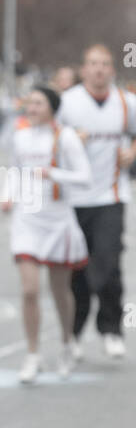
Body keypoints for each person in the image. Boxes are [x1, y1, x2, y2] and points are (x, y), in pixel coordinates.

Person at [59, 45, 136, 360]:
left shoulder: (127, 102)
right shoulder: (67, 104)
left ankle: (111, 329)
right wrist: (69, 142)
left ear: (112, 69)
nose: (98, 70)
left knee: (108, 266)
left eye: (104, 64)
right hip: (73, 199)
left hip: (111, 195)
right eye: (92, 64)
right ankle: (74, 333)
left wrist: (132, 153)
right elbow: (49, 139)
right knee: (76, 270)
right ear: (84, 69)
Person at [0, 86, 91, 382]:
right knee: (28, 290)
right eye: (29, 103)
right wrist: (7, 196)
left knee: (59, 291)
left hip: (57, 220)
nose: (32, 108)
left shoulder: (64, 137)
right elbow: (12, 169)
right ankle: (32, 354)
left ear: (51, 107)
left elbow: (85, 178)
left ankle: (66, 343)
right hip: (27, 219)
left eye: (38, 103)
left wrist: (52, 173)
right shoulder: (19, 135)